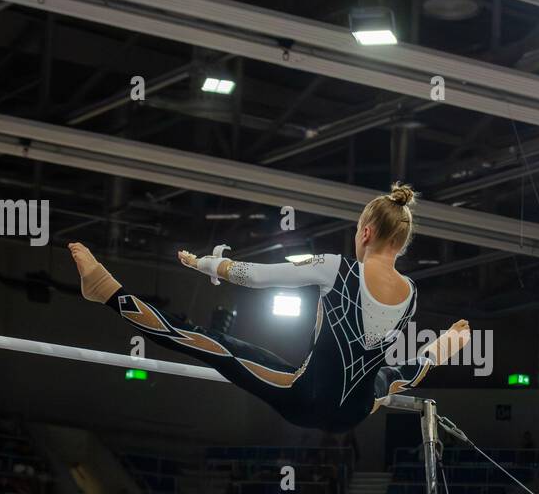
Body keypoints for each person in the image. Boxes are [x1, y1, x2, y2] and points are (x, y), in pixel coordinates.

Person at [68, 184, 471, 433]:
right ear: (400, 244)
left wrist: (205, 264)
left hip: (304, 399)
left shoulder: (337, 266)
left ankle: (106, 291)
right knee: (398, 374)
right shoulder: (412, 292)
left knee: (211, 344)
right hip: (354, 414)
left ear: (365, 232)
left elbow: (257, 276)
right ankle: (448, 346)